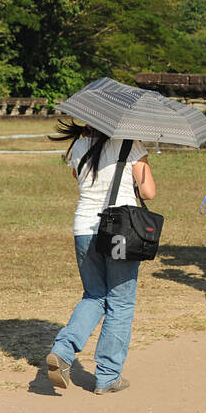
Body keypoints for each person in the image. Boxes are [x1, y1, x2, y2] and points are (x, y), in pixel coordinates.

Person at [45, 118, 157, 395]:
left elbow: (80, 178)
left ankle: (62, 350)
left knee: (94, 295)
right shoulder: (130, 144)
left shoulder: (80, 146)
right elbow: (149, 193)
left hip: (84, 228)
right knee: (120, 302)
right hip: (120, 230)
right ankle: (107, 375)